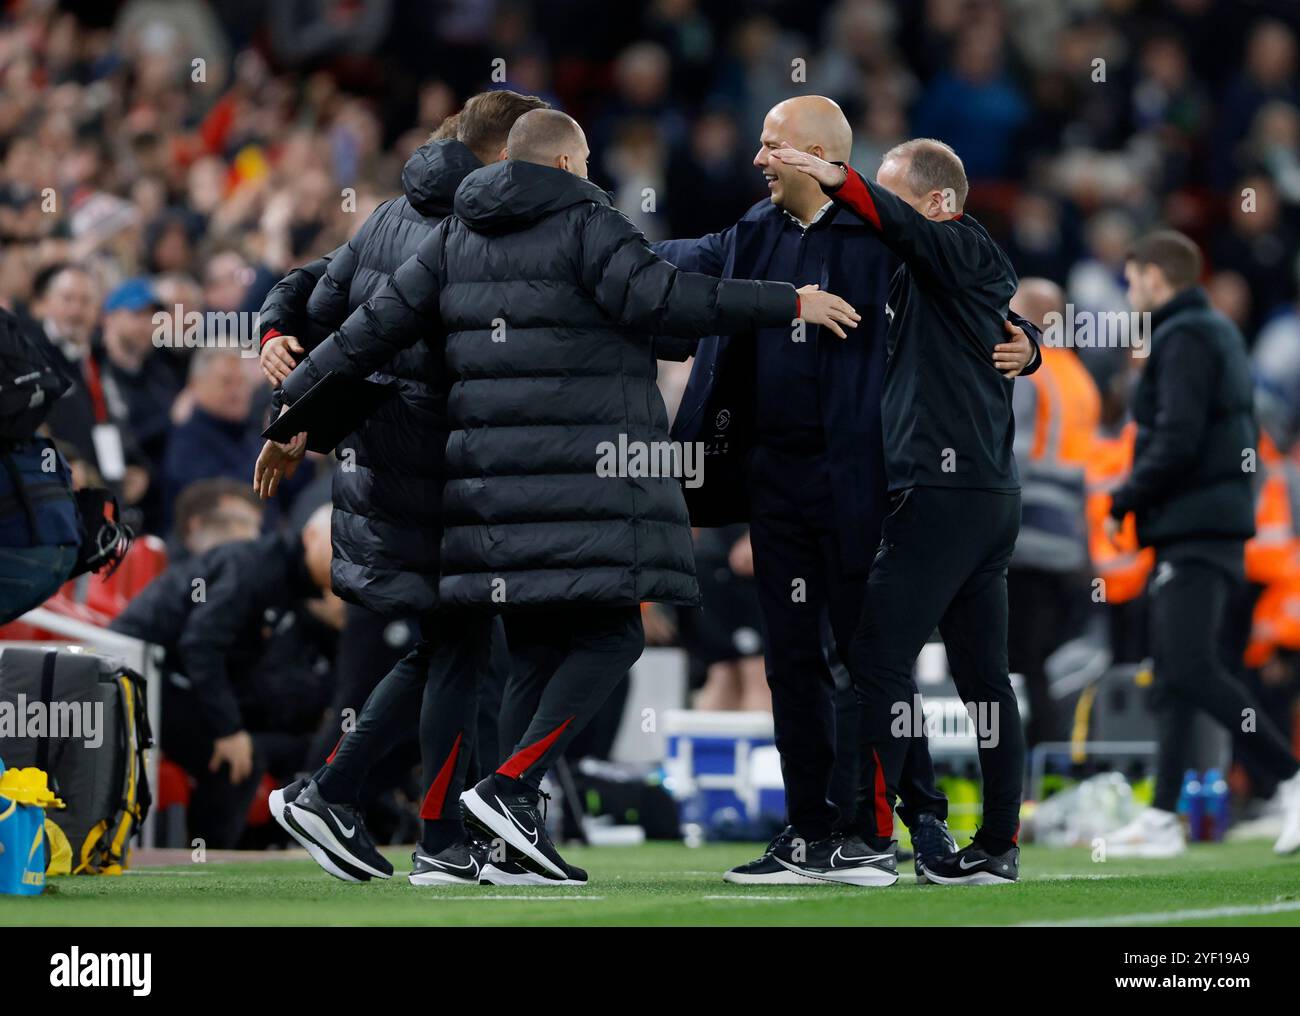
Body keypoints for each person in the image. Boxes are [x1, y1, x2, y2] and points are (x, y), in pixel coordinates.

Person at [275, 107, 859, 881]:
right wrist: (789, 301)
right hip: (572, 486)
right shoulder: (589, 222)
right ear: (557, 163)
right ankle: (502, 794)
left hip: (478, 496)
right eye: (582, 158)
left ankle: (480, 840)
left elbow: (360, 327)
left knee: (514, 653)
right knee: (605, 638)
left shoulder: (444, 231)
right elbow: (670, 303)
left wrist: (286, 419)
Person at [660, 96, 1041, 885]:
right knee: (809, 666)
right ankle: (825, 832)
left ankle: (889, 829)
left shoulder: (893, 238)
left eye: (776, 147)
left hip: (882, 487)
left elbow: (979, 297)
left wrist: (1030, 343)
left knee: (871, 663)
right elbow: (679, 263)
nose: (761, 159)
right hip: (783, 485)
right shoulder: (759, 234)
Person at [254, 92, 551, 887]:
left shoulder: (388, 214)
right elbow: (361, 332)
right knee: (459, 643)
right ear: (502, 156)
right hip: (438, 461)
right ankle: (415, 827)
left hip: (385, 461)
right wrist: (295, 418)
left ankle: (391, 814)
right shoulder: (473, 223)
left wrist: (277, 342)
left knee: (455, 644)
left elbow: (315, 298)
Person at [772, 137, 1028, 884]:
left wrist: (836, 176)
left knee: (875, 658)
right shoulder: (948, 270)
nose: (878, 214)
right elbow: (1002, 318)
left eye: (890, 196)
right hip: (981, 498)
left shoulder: (957, 242)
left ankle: (869, 834)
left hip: (943, 498)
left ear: (940, 203)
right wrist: (1034, 345)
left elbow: (907, 231)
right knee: (984, 682)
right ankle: (996, 847)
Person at [1099, 230, 1300, 857]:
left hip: (1197, 526)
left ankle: (1290, 777)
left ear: (1156, 277)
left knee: (1191, 667)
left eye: (1132, 280)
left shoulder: (1182, 335)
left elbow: (1177, 437)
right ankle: (1161, 817)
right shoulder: (1210, 331)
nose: (1130, 293)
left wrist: (1124, 498)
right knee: (1174, 675)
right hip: (1203, 523)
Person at [110, 506, 337, 848]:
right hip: (139, 673)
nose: (352, 559)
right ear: (311, 536)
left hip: (172, 675)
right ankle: (204, 860)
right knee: (236, 760)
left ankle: (217, 853)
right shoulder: (254, 567)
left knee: (273, 745)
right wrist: (227, 729)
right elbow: (200, 643)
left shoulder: (291, 583)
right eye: (342, 546)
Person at [1007, 278, 1100, 749]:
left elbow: (1007, 446)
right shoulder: (1076, 376)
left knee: (1015, 661)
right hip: (1067, 541)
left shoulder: (1029, 369)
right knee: (1037, 659)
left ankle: (1019, 771)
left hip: (1026, 534)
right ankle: (1043, 766)